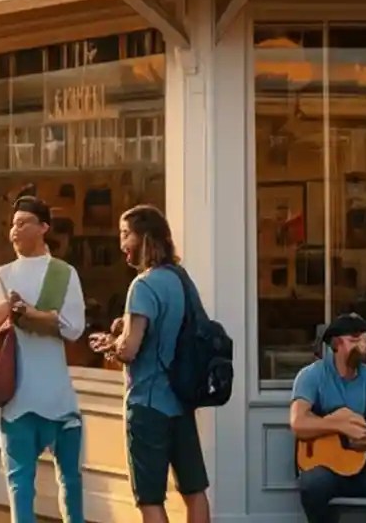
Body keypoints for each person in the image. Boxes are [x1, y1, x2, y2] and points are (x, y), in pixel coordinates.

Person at [89, 204, 210, 523]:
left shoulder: (142, 285)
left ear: (145, 238)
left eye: (126, 234)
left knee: (150, 498)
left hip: (148, 404)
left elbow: (130, 349)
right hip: (182, 402)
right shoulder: (180, 279)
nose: (121, 244)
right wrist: (124, 329)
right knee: (194, 491)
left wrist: (111, 346)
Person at [0, 196, 85, 523]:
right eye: (12, 224)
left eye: (23, 223)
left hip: (59, 399)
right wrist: (13, 308)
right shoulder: (1, 277)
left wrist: (35, 315)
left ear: (43, 228)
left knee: (71, 482)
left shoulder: (63, 273)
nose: (14, 230)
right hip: (17, 398)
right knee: (20, 486)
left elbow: (75, 328)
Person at [289, 313, 366, 523]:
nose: (363, 346)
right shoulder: (312, 375)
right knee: (312, 485)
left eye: (365, 340)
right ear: (337, 344)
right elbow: (298, 422)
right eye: (355, 340)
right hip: (324, 467)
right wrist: (338, 424)